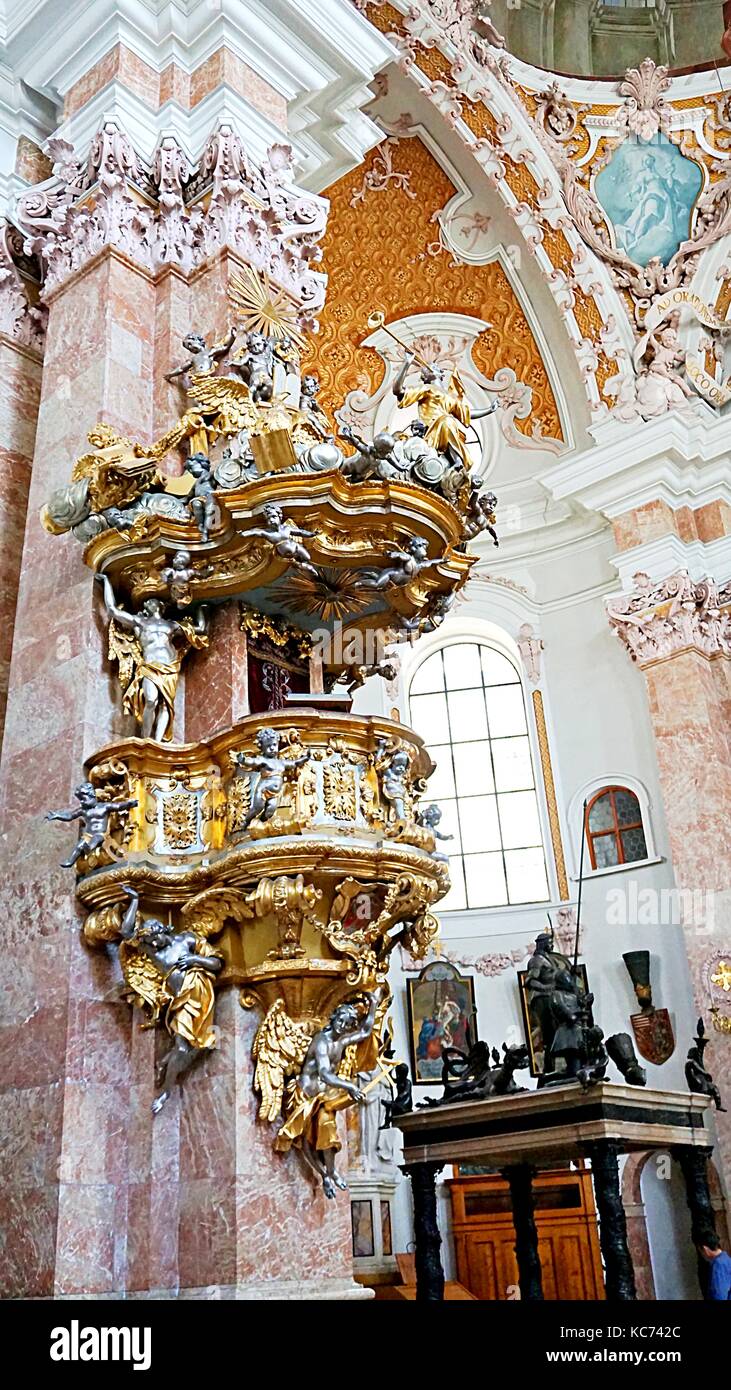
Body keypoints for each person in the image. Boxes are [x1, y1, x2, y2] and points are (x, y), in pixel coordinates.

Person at [697, 1234, 731, 1300]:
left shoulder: (717, 1265)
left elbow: (719, 1296)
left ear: (705, 1249)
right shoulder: (727, 1259)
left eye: (701, 1252)